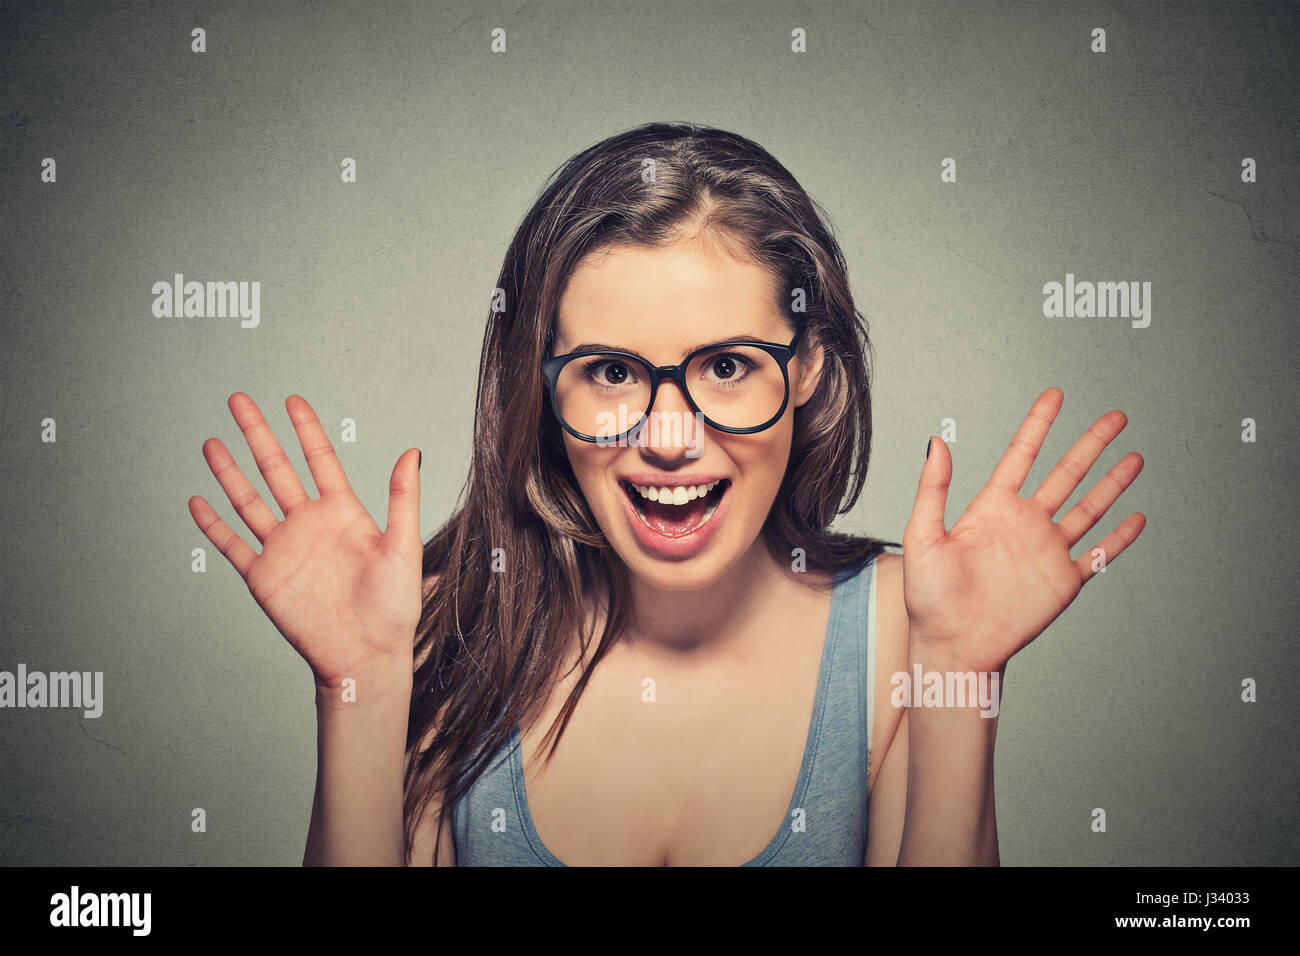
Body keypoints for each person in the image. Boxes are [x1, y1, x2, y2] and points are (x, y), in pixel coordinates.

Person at [188, 122, 1146, 866]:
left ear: (809, 364)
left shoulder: (911, 632)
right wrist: (355, 689)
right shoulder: (443, 623)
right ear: (540, 379)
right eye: (610, 372)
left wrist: (961, 679)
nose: (670, 438)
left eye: (728, 364)